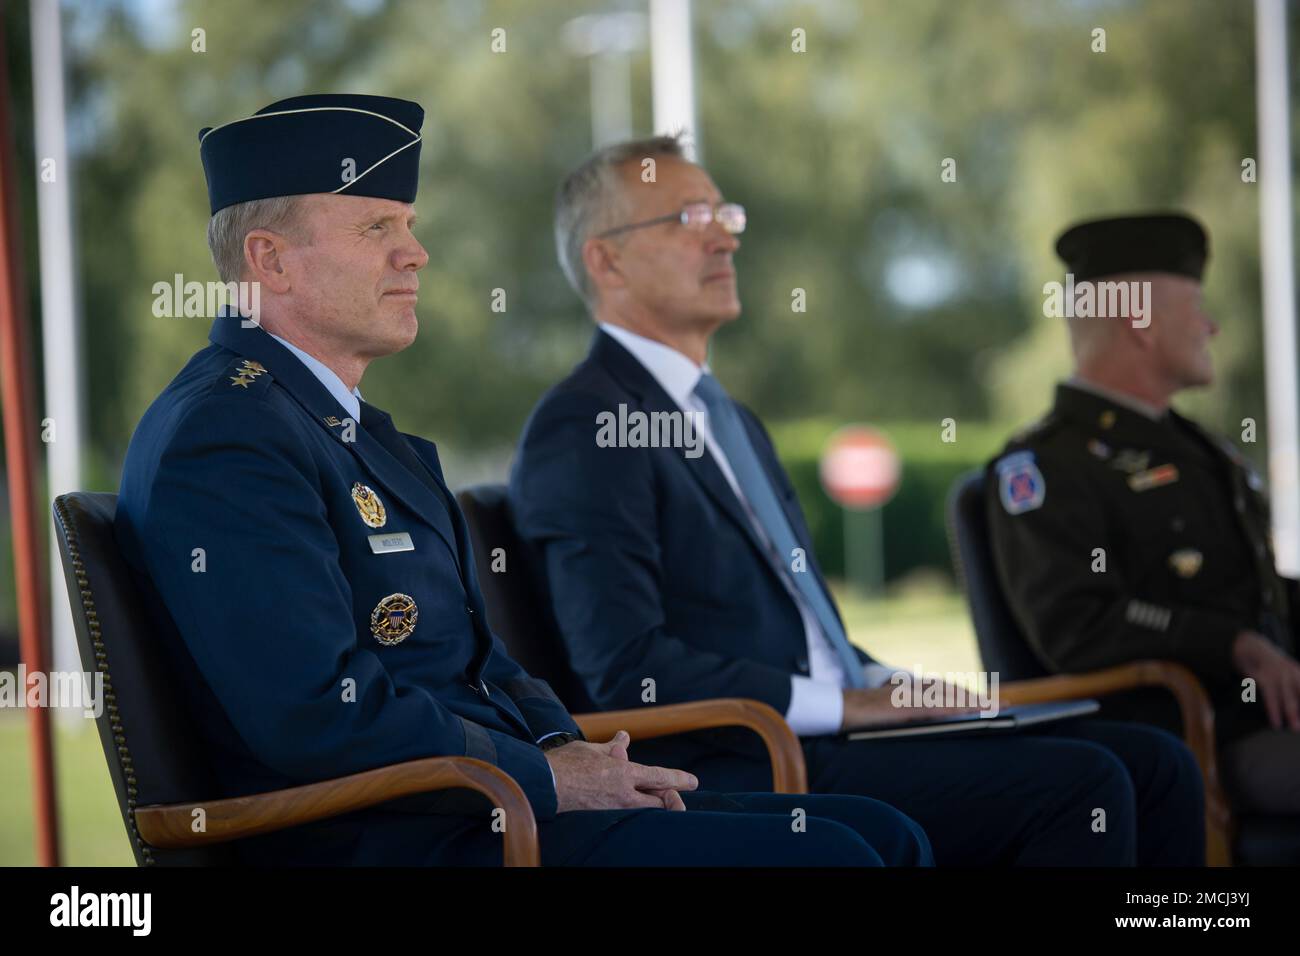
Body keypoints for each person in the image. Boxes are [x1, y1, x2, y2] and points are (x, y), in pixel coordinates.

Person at [114, 94, 933, 867]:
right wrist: (546, 780)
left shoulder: (347, 429)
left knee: (879, 834)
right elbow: (316, 713)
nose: (416, 252)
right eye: (375, 227)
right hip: (393, 833)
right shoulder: (227, 433)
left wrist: (560, 747)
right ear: (271, 262)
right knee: (835, 855)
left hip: (476, 805)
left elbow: (480, 659)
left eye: (408, 223)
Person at [510, 135, 1206, 865]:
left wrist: (884, 682)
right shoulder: (588, 423)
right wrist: (847, 704)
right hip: (744, 756)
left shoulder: (727, 417)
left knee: (1157, 762)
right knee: (1086, 783)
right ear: (605, 259)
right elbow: (625, 664)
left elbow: (804, 633)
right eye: (688, 218)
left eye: (726, 215)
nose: (723, 237)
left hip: (833, 730)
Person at [986, 212, 1300, 820]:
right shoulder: (1044, 466)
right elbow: (1077, 626)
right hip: (1189, 739)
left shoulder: (1196, 448)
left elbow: (1251, 594)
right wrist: (1234, 646)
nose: (1211, 325)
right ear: (1140, 322)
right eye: (1195, 308)